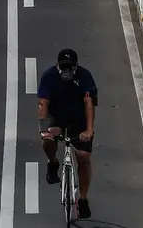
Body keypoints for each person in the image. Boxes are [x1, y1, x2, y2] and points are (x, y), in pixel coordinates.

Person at [37, 48, 97, 220]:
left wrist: (89, 129)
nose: (67, 71)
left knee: (84, 156)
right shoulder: (49, 76)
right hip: (56, 116)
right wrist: (44, 129)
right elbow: (43, 103)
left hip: (78, 118)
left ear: (76, 67)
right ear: (57, 65)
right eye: (63, 67)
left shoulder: (85, 77)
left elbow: (89, 102)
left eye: (70, 67)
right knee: (50, 138)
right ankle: (52, 162)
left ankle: (83, 199)